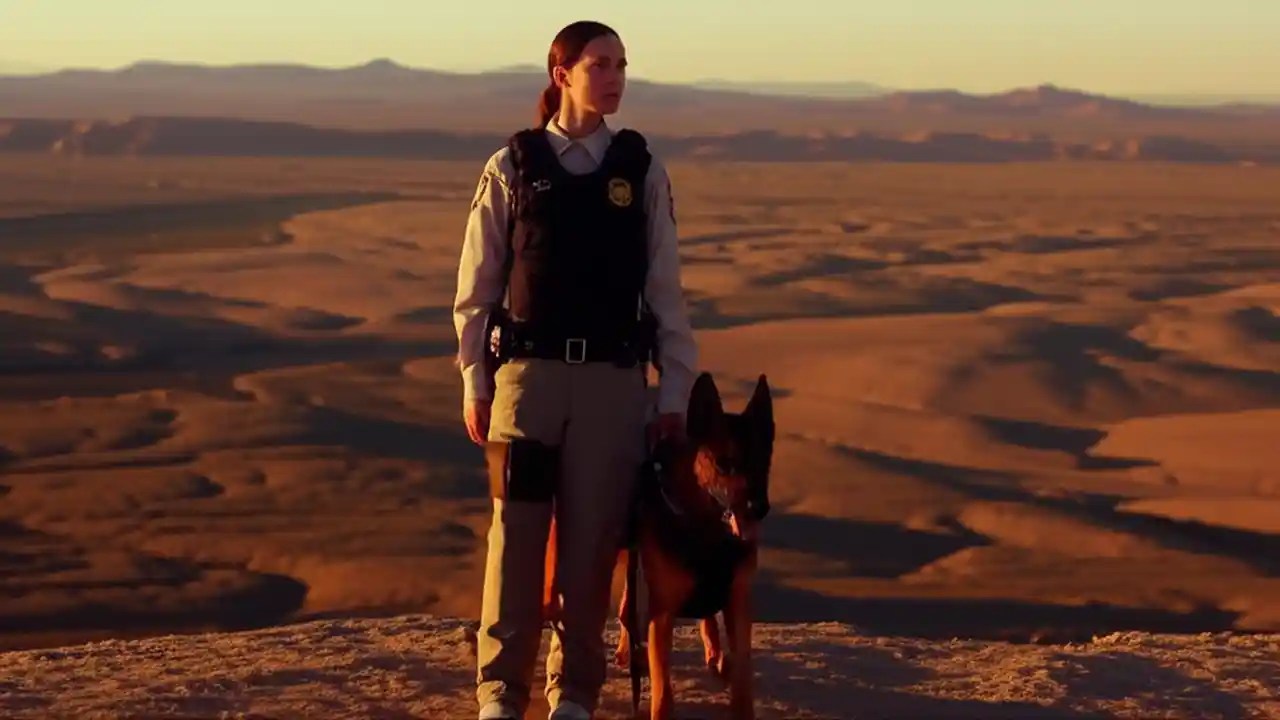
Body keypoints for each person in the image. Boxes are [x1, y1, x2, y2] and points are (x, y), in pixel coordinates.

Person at [451, 19, 699, 720]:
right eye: (601, 63)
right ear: (562, 74)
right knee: (517, 539)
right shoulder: (514, 167)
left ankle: (577, 693)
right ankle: (500, 692)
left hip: (613, 387)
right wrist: (474, 379)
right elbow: (476, 289)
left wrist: (673, 395)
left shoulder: (642, 172)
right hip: (526, 384)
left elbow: (667, 294)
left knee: (591, 544)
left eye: (622, 63)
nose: (616, 76)